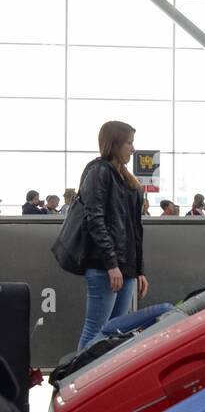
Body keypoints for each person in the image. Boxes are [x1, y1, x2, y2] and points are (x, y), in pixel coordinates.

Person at [73, 120, 148, 351]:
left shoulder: (125, 177)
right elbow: (94, 219)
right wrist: (111, 264)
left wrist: (139, 269)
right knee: (96, 329)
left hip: (124, 266)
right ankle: (80, 373)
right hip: (105, 266)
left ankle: (101, 374)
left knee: (115, 332)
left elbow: (134, 227)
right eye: (129, 143)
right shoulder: (99, 171)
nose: (133, 149)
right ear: (114, 144)